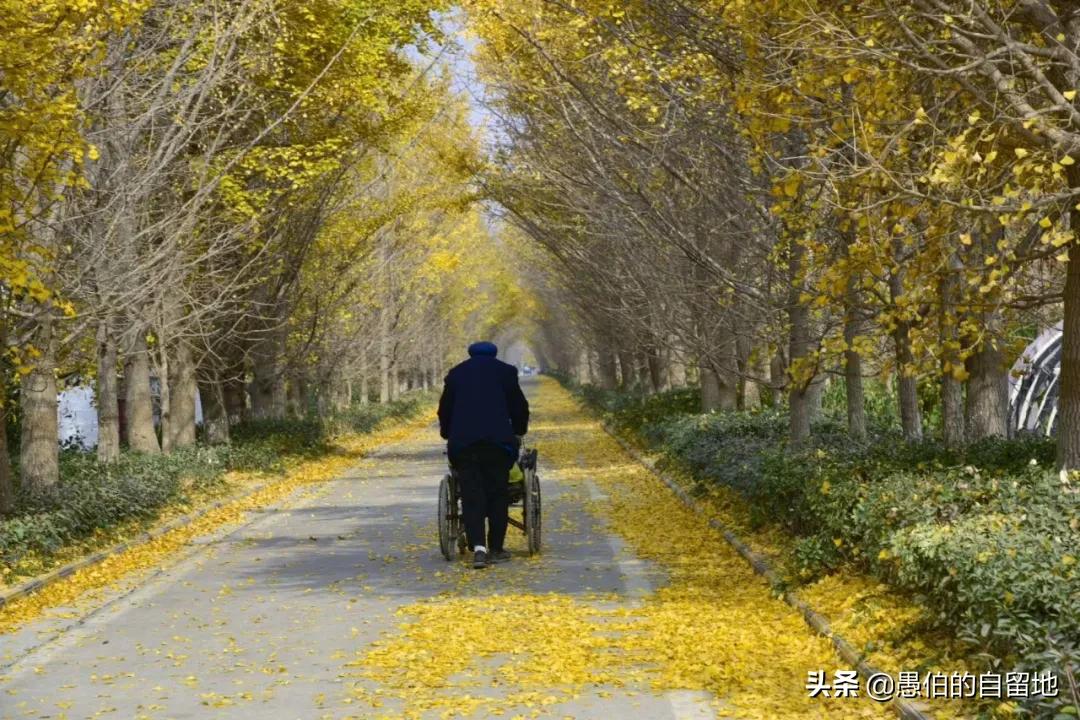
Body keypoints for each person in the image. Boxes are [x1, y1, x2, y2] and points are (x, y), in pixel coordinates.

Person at [438, 341, 529, 569]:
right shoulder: (506, 372)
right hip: (498, 445)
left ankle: (479, 549)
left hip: (464, 446)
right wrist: (518, 430)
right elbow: (519, 407)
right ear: (494, 354)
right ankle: (496, 548)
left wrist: (448, 433)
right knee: (498, 493)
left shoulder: (456, 374)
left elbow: (444, 409)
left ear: (470, 354)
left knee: (471, 495)